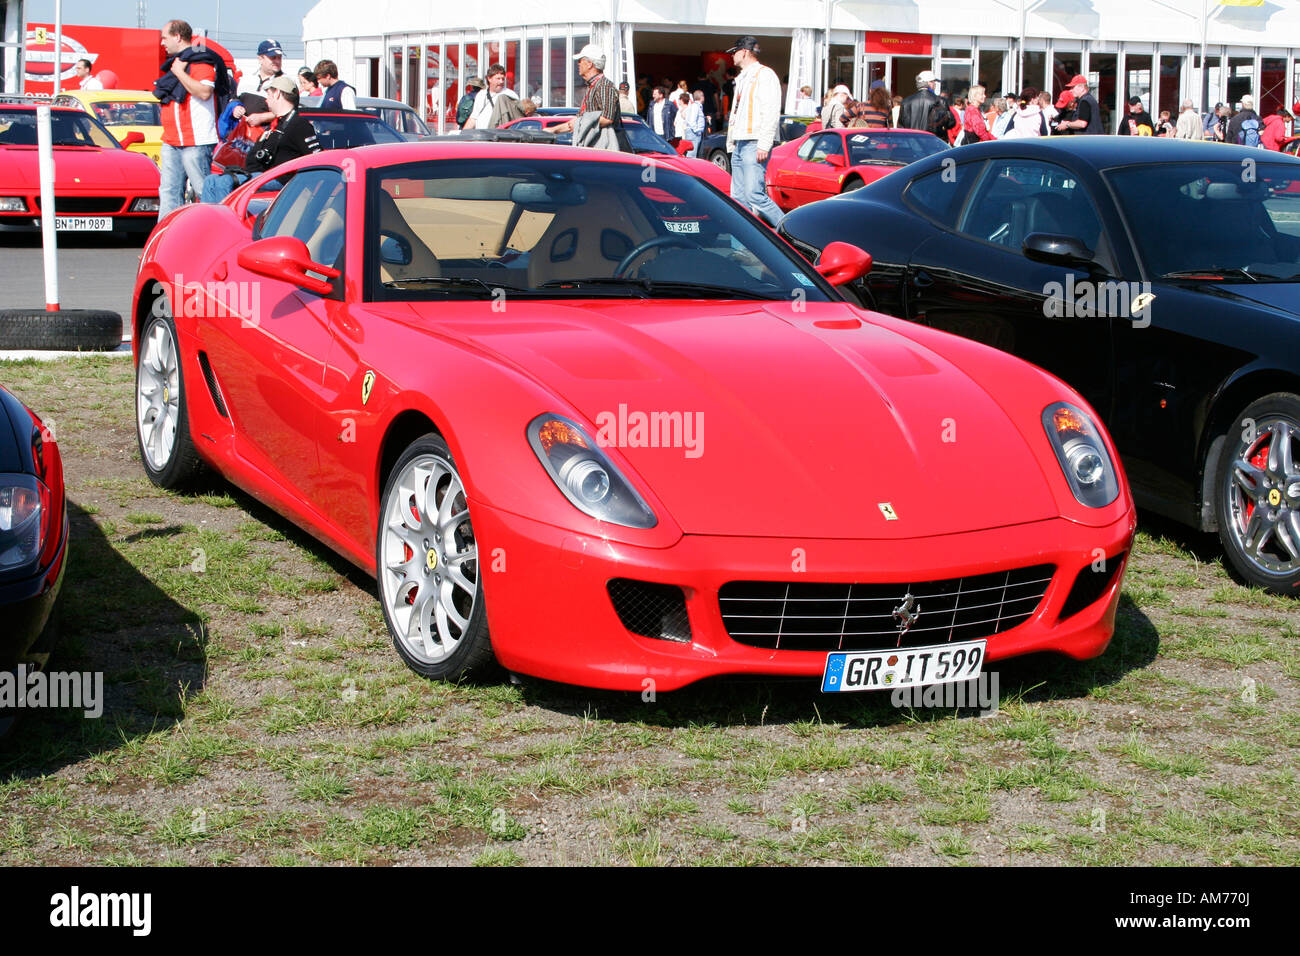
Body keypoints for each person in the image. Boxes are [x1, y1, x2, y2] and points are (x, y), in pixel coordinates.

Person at [201, 75, 320, 202]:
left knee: (225, 182)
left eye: (269, 95)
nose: (266, 100)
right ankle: (210, 220)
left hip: (280, 179)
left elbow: (317, 159)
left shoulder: (299, 124)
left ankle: (226, 220)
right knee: (210, 180)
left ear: (277, 94)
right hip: (260, 175)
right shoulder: (275, 125)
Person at [154, 19, 225, 219]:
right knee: (168, 193)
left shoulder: (200, 60)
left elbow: (204, 92)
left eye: (165, 38)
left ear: (178, 37)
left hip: (196, 141)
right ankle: (165, 242)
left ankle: (211, 235)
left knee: (203, 192)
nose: (162, 43)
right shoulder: (176, 62)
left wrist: (178, 72)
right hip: (172, 140)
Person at [724, 36, 784, 227]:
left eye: (735, 51)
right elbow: (737, 113)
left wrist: (764, 144)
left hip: (753, 142)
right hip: (741, 142)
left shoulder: (764, 75)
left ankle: (790, 234)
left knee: (754, 195)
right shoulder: (743, 78)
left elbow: (772, 110)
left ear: (745, 51)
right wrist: (732, 141)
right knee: (738, 197)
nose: (733, 56)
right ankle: (746, 244)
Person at [549, 45, 629, 151]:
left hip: (604, 149)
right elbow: (578, 121)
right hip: (594, 148)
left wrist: (581, 122)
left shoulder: (604, 85)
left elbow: (607, 118)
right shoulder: (593, 86)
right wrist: (553, 130)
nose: (578, 64)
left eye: (580, 60)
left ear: (590, 64)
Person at [899, 71, 953, 140]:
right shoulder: (940, 101)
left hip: (912, 142)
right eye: (934, 82)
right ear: (929, 83)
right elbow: (950, 123)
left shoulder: (906, 102)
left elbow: (901, 127)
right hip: (933, 142)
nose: (935, 85)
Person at [463, 64, 520, 129]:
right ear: (489, 79)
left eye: (503, 79)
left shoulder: (510, 95)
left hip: (501, 136)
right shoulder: (481, 94)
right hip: (481, 136)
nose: (501, 81)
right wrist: (462, 134)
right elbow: (473, 118)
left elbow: (517, 120)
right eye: (498, 78)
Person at [680, 89, 705, 157]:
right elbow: (692, 120)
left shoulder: (694, 106)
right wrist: (697, 130)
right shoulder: (695, 106)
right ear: (701, 97)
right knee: (692, 154)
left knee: (692, 153)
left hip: (693, 132)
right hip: (694, 133)